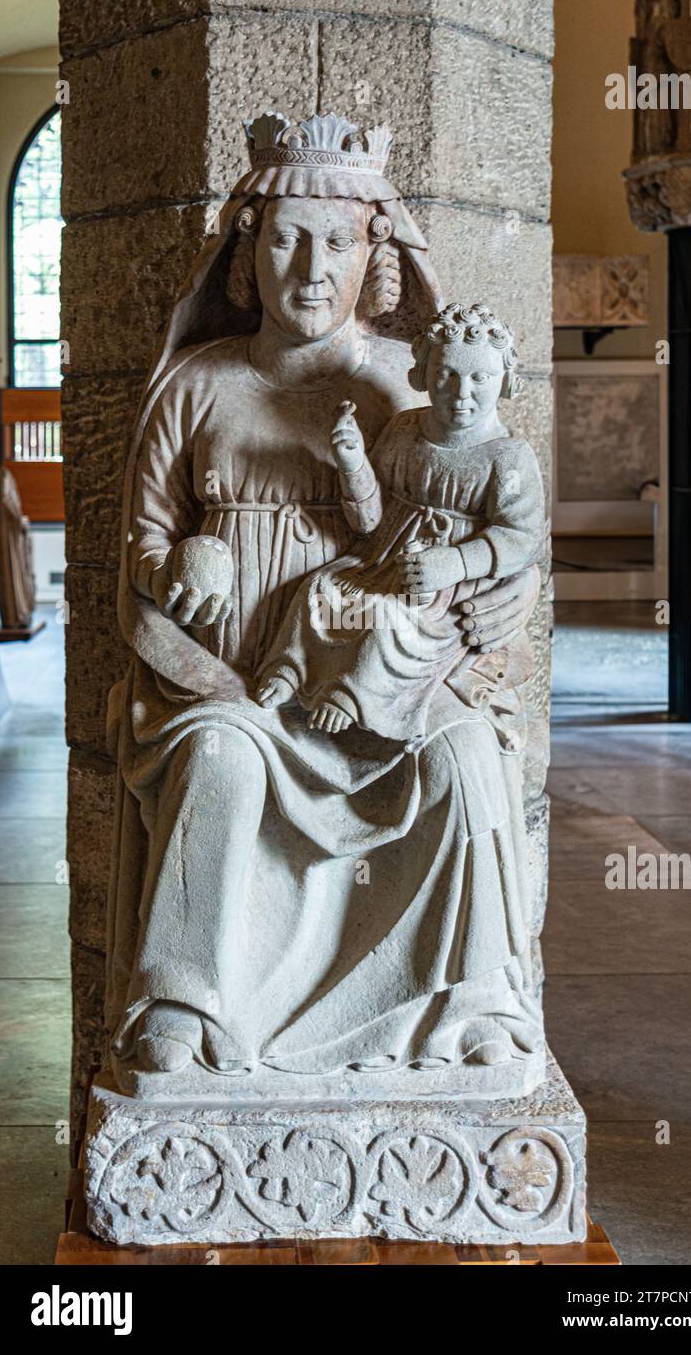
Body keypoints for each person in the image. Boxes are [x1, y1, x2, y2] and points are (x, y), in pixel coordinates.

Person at [107, 111, 545, 1086]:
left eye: (337, 241)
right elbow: (135, 551)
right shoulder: (195, 385)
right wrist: (186, 568)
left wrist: (498, 600)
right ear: (247, 253)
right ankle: (186, 1006)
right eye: (286, 238)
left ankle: (467, 1003)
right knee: (220, 757)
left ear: (373, 258)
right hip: (231, 681)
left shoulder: (411, 384)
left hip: (385, 674)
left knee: (469, 753)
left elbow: (490, 521)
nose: (310, 267)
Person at [257, 304, 545, 742]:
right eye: (446, 374)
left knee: (390, 619)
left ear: (504, 380)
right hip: (383, 562)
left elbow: (521, 538)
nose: (461, 392)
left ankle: (352, 695)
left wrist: (454, 562)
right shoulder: (405, 430)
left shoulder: (508, 457)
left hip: (446, 588)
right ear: (423, 375)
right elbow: (370, 518)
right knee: (321, 589)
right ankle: (291, 668)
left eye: (479, 378)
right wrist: (353, 463)